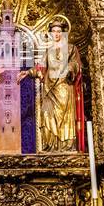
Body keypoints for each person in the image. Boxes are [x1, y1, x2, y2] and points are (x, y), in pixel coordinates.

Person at [29, 20, 84, 152]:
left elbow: (76, 64)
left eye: (59, 31)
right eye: (53, 31)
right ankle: (50, 145)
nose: (56, 34)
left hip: (64, 88)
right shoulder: (48, 51)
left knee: (65, 118)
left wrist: (70, 68)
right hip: (50, 90)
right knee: (46, 113)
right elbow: (40, 68)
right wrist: (27, 72)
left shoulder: (71, 48)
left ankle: (66, 146)